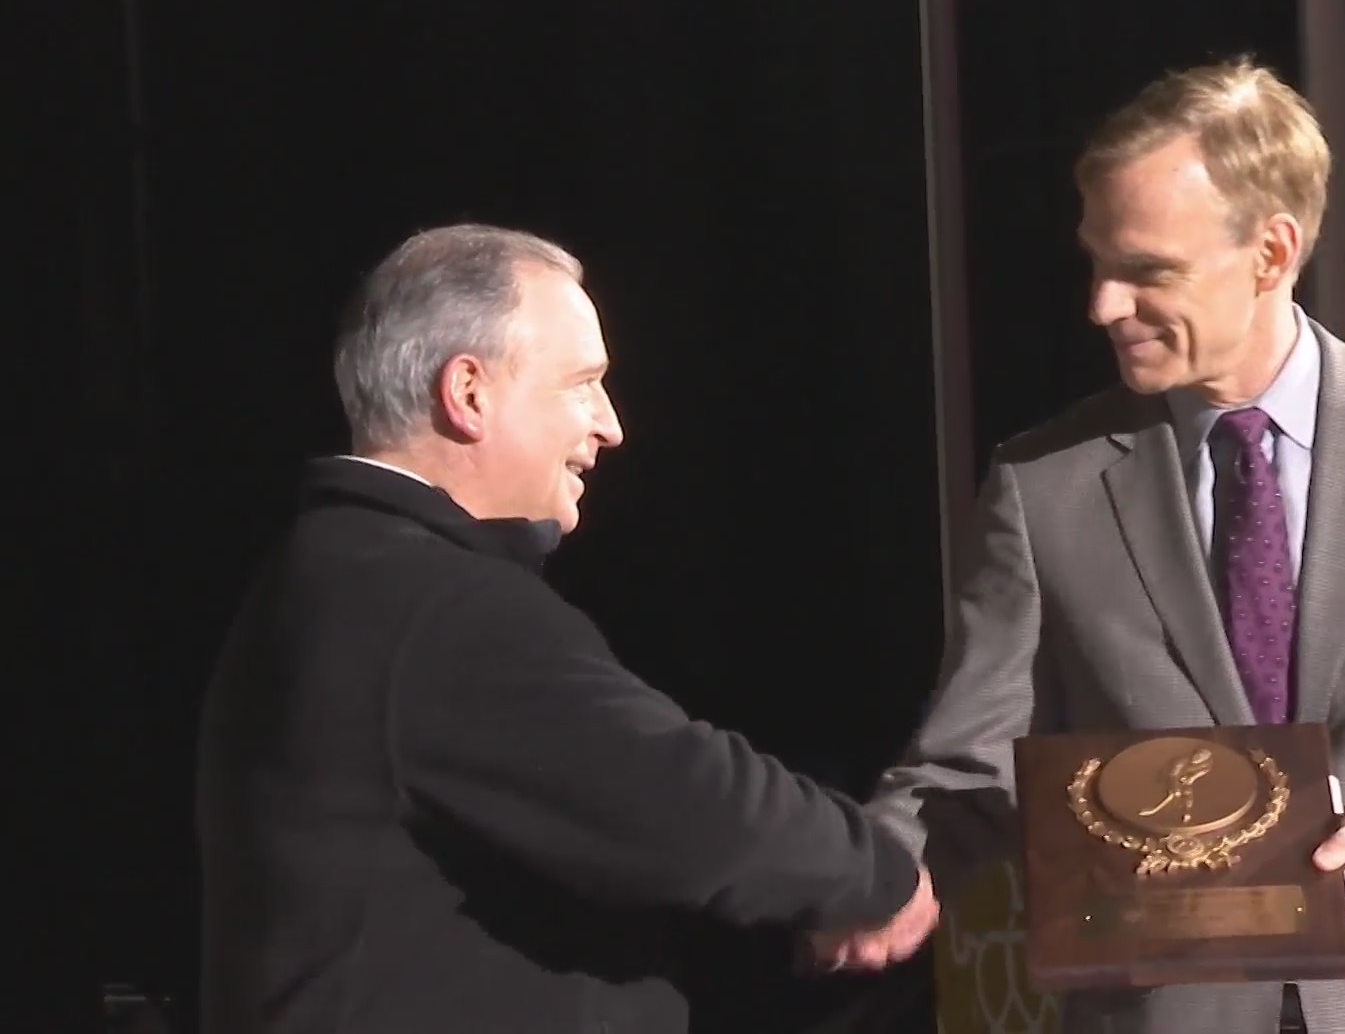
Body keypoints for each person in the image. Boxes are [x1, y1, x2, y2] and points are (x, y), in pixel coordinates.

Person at [832, 58, 1345, 1034]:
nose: (1103, 306)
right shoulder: (1046, 484)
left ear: (1272, 251)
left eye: (1147, 271)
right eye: (1097, 263)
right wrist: (867, 870)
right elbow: (964, 768)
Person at [196, 224, 937, 1034]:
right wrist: (877, 874)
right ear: (470, 394)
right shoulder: (432, 603)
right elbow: (683, 807)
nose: (609, 425)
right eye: (581, 383)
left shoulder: (336, 572)